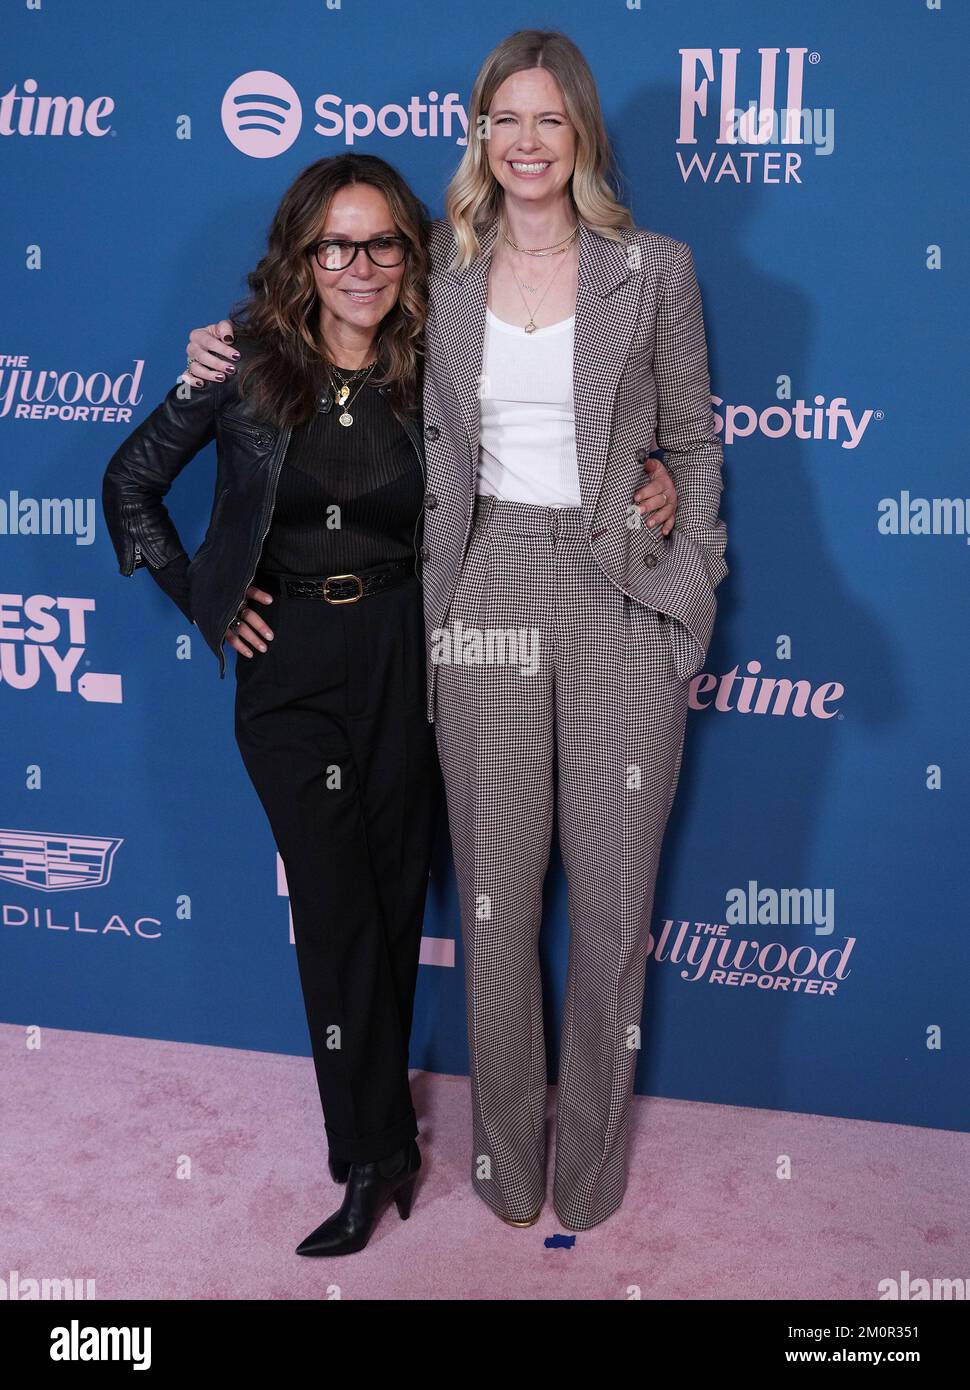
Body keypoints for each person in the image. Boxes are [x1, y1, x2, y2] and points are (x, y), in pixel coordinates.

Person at [182, 29, 708, 1234]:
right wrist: (211, 356)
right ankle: (502, 1162)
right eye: (502, 120)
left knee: (617, 902)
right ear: (479, 136)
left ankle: (591, 1161)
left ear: (579, 134)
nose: (525, 143)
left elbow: (699, 439)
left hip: (616, 579)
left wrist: (690, 573)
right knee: (495, 903)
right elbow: (322, 321)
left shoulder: (655, 269)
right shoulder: (442, 277)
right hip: (477, 595)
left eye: (548, 120)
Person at [102, 154, 442, 1257]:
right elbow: (128, 484)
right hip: (288, 672)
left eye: (382, 242)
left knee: (392, 902)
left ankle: (385, 1136)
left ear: (410, 253)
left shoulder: (439, 364)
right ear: (300, 257)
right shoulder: (241, 364)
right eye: (334, 245)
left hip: (410, 658)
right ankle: (366, 1158)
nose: (359, 267)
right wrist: (204, 597)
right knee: (337, 908)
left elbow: (542, 452)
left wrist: (652, 469)